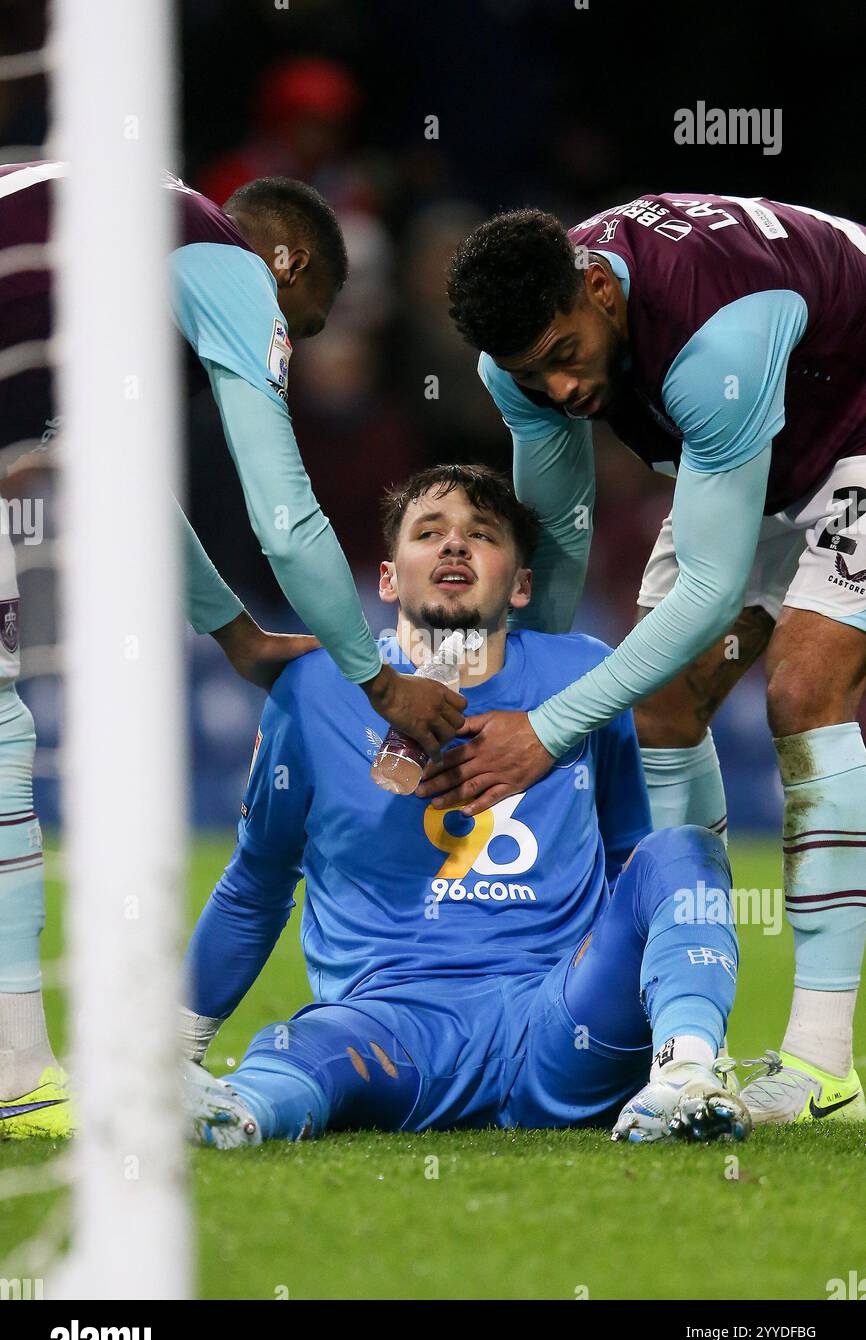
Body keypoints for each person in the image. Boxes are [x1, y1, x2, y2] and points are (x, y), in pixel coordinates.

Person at [0, 161, 462, 1137]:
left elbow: (111, 471)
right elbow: (286, 518)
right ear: (282, 260)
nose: (289, 342)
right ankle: (19, 1076)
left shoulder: (94, 239)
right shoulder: (223, 258)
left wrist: (234, 630)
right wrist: (373, 676)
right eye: (305, 315)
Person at [432, 193, 866, 1125]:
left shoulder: (716, 339)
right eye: (529, 375)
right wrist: (516, 692)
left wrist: (546, 730)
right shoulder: (529, 354)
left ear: (599, 288)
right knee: (658, 704)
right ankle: (687, 1023)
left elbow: (709, 592)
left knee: (803, 689)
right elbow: (558, 549)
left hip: (855, 435)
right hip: (765, 457)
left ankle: (824, 1063)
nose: (558, 391)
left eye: (562, 358)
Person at [181, 463, 750, 1147]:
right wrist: (176, 1046)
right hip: (392, 1032)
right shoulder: (313, 693)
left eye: (481, 534)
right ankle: (226, 1113)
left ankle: (686, 1078)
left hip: (565, 1024)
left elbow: (633, 863)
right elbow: (256, 885)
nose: (455, 545)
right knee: (300, 1046)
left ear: (521, 585)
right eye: (430, 532)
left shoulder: (583, 674)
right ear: (386, 578)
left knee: (684, 849)